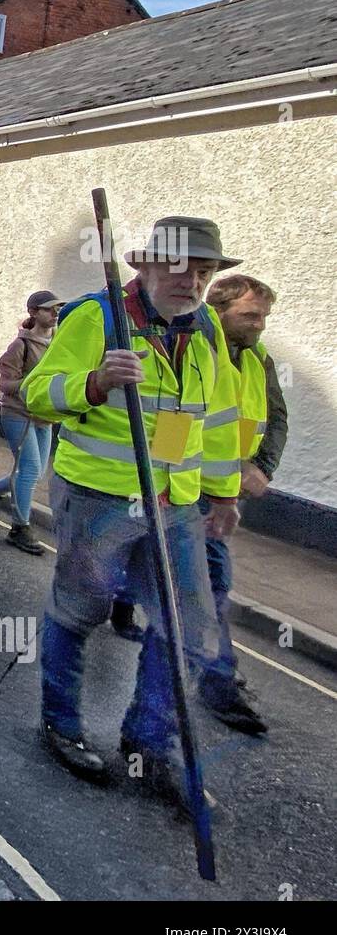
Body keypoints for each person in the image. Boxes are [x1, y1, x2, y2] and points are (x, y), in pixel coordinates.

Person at [22, 217, 244, 809]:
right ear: (145, 265)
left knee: (188, 625)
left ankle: (148, 746)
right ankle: (60, 724)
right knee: (81, 610)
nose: (191, 280)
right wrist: (93, 382)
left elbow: (217, 418)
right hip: (99, 495)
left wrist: (223, 494)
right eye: (179, 266)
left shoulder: (207, 330)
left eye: (203, 271)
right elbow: (38, 392)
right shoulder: (98, 316)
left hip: (174, 501)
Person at [190, 273, 286, 734]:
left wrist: (262, 467)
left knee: (210, 584)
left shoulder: (257, 358)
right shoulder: (192, 341)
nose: (260, 325)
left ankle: (217, 679)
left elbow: (277, 416)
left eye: (264, 316)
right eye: (251, 315)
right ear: (220, 308)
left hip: (220, 491)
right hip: (183, 485)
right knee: (206, 584)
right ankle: (215, 677)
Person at [0, 290, 65, 555]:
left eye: (57, 310)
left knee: (37, 472)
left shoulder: (60, 343)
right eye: (48, 309)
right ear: (33, 312)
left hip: (45, 416)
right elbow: (5, 384)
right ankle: (20, 527)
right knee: (29, 469)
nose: (54, 314)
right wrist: (33, 384)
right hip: (18, 414)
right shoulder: (21, 346)